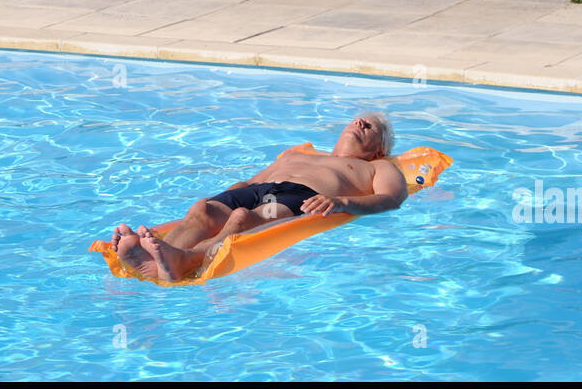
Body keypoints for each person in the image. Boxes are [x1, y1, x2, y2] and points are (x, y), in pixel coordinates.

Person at [110, 112, 405, 281]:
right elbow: (250, 181)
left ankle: (186, 260)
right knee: (202, 209)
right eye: (357, 120)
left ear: (379, 149)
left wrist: (343, 203)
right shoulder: (298, 153)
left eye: (370, 127)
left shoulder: (377, 166)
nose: (360, 124)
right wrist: (227, 195)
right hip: (257, 189)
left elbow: (391, 199)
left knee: (242, 219)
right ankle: (157, 255)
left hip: (301, 197)